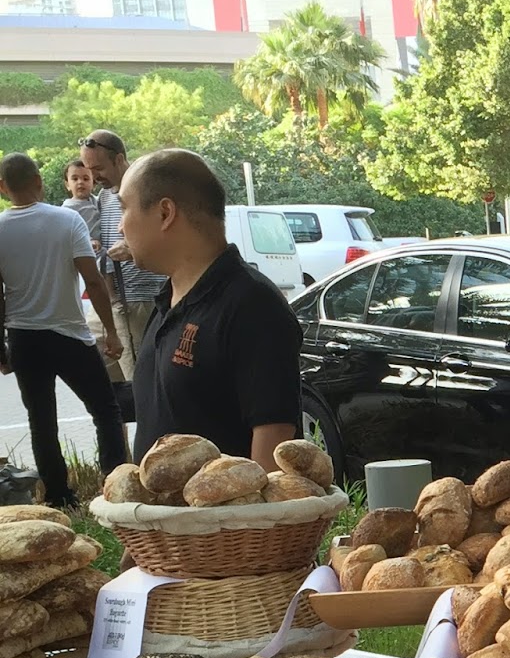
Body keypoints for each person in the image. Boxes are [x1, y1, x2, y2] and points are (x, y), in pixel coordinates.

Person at [116, 149, 301, 467]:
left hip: (226, 518)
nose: (120, 227)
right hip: (159, 518)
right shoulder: (167, 298)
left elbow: (274, 462)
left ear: (165, 213)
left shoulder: (253, 306)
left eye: (124, 208)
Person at [0, 153, 128, 508]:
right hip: (70, 335)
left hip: (24, 338)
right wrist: (111, 332)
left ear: (2, 188)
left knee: (41, 421)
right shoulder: (67, 220)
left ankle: (59, 497)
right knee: (105, 410)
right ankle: (115, 488)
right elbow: (93, 281)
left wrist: (1, 350)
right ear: (40, 181)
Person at [78, 128, 165, 386]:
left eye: (98, 168)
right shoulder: (104, 196)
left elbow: (170, 237)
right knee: (108, 386)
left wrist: (134, 249)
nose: (93, 176)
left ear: (119, 159)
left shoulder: (146, 188)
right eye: (88, 169)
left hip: (141, 301)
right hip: (113, 302)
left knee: (142, 384)